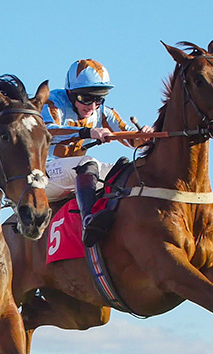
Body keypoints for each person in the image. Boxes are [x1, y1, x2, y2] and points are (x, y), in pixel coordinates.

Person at [42, 59, 152, 247]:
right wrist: (87, 132)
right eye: (85, 98)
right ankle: (88, 221)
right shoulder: (52, 103)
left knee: (126, 170)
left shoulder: (102, 112)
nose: (92, 106)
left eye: (99, 99)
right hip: (45, 173)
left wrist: (145, 138)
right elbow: (47, 131)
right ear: (71, 93)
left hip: (74, 174)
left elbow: (129, 137)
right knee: (88, 162)